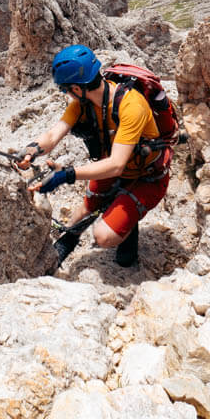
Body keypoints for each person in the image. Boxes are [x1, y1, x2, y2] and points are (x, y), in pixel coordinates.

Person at [18, 44, 171, 266]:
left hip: (147, 177)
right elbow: (54, 134)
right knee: (85, 208)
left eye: (66, 89)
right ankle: (69, 239)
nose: (67, 94)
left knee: (104, 236)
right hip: (114, 167)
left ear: (77, 88)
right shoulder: (84, 104)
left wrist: (67, 175)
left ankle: (127, 223)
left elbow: (116, 164)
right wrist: (32, 150)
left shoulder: (132, 106)